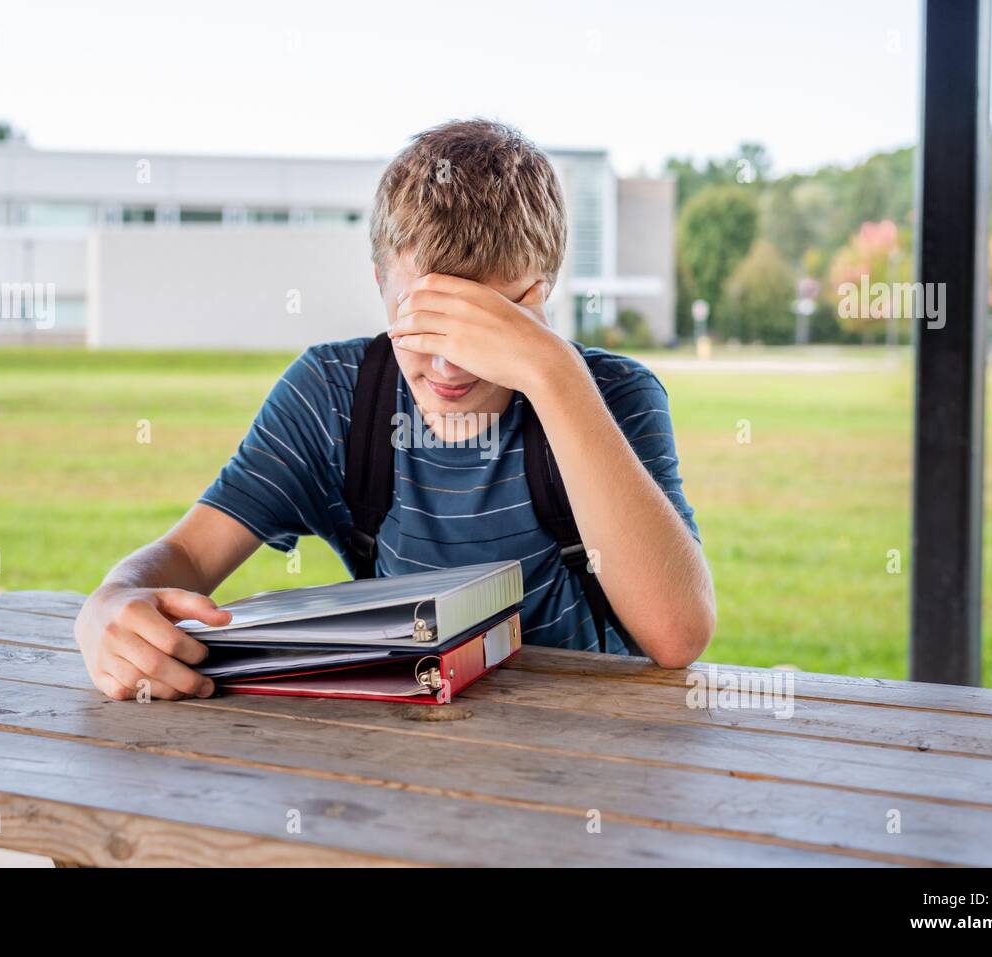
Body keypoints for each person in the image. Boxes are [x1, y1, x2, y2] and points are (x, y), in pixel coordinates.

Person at [74, 118, 715, 701]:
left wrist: (554, 375)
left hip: (589, 760)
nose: (446, 368)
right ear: (381, 284)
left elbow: (677, 634)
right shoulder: (335, 396)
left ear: (535, 302)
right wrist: (112, 600)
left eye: (478, 329)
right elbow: (185, 556)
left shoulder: (609, 394)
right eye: (420, 323)